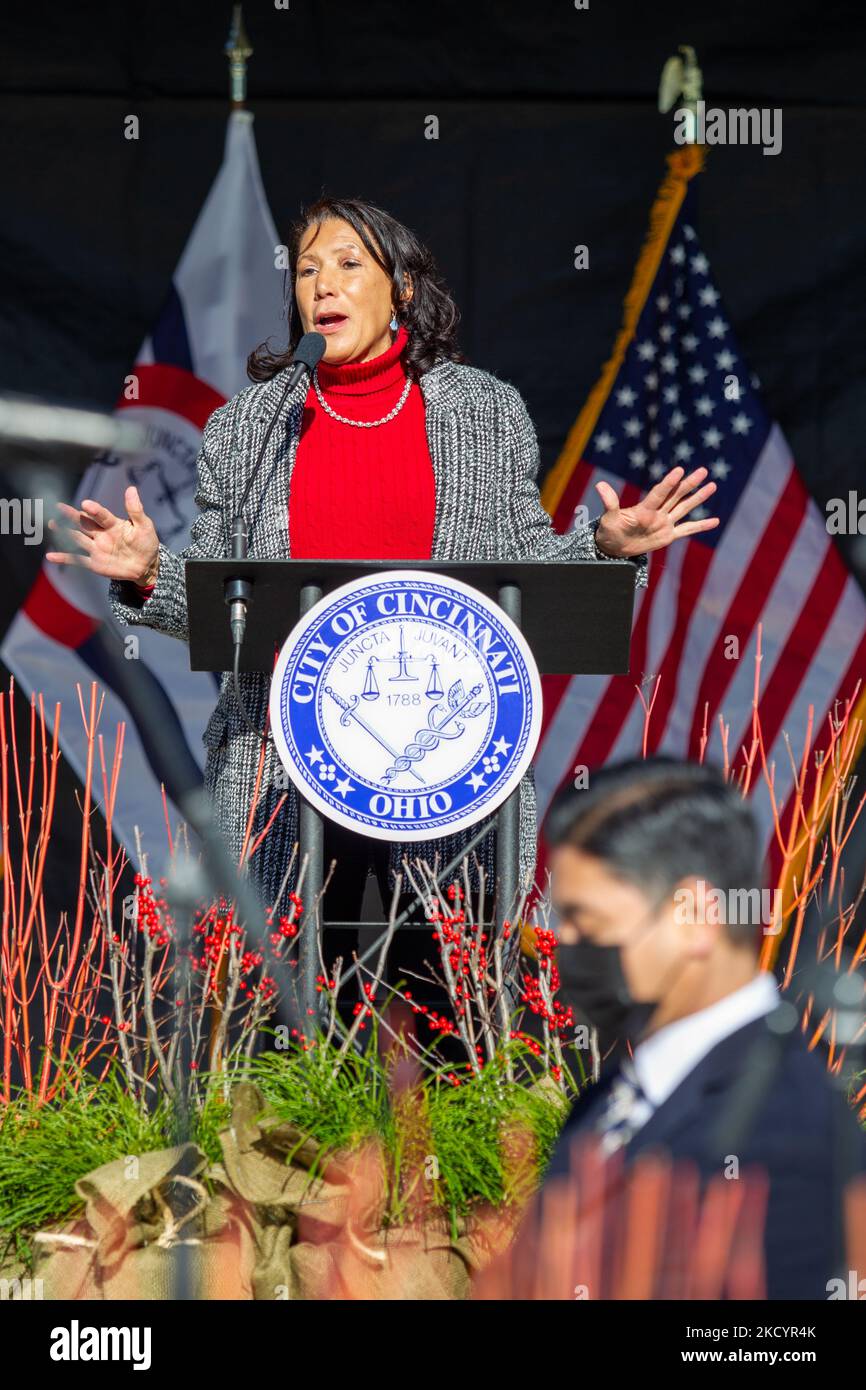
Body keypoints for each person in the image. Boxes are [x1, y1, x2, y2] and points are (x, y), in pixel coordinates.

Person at [45, 197, 718, 994]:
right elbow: (227, 606)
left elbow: (522, 572)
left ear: (400, 287)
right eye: (306, 269)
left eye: (347, 264)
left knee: (445, 1018)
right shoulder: (251, 426)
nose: (322, 283)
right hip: (281, 766)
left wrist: (603, 549)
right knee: (273, 1031)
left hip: (447, 772)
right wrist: (151, 572)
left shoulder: (485, 413)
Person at [532, 755, 866, 1300]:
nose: (563, 943)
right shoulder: (610, 1098)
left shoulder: (787, 1135)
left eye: (586, 921)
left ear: (694, 915)